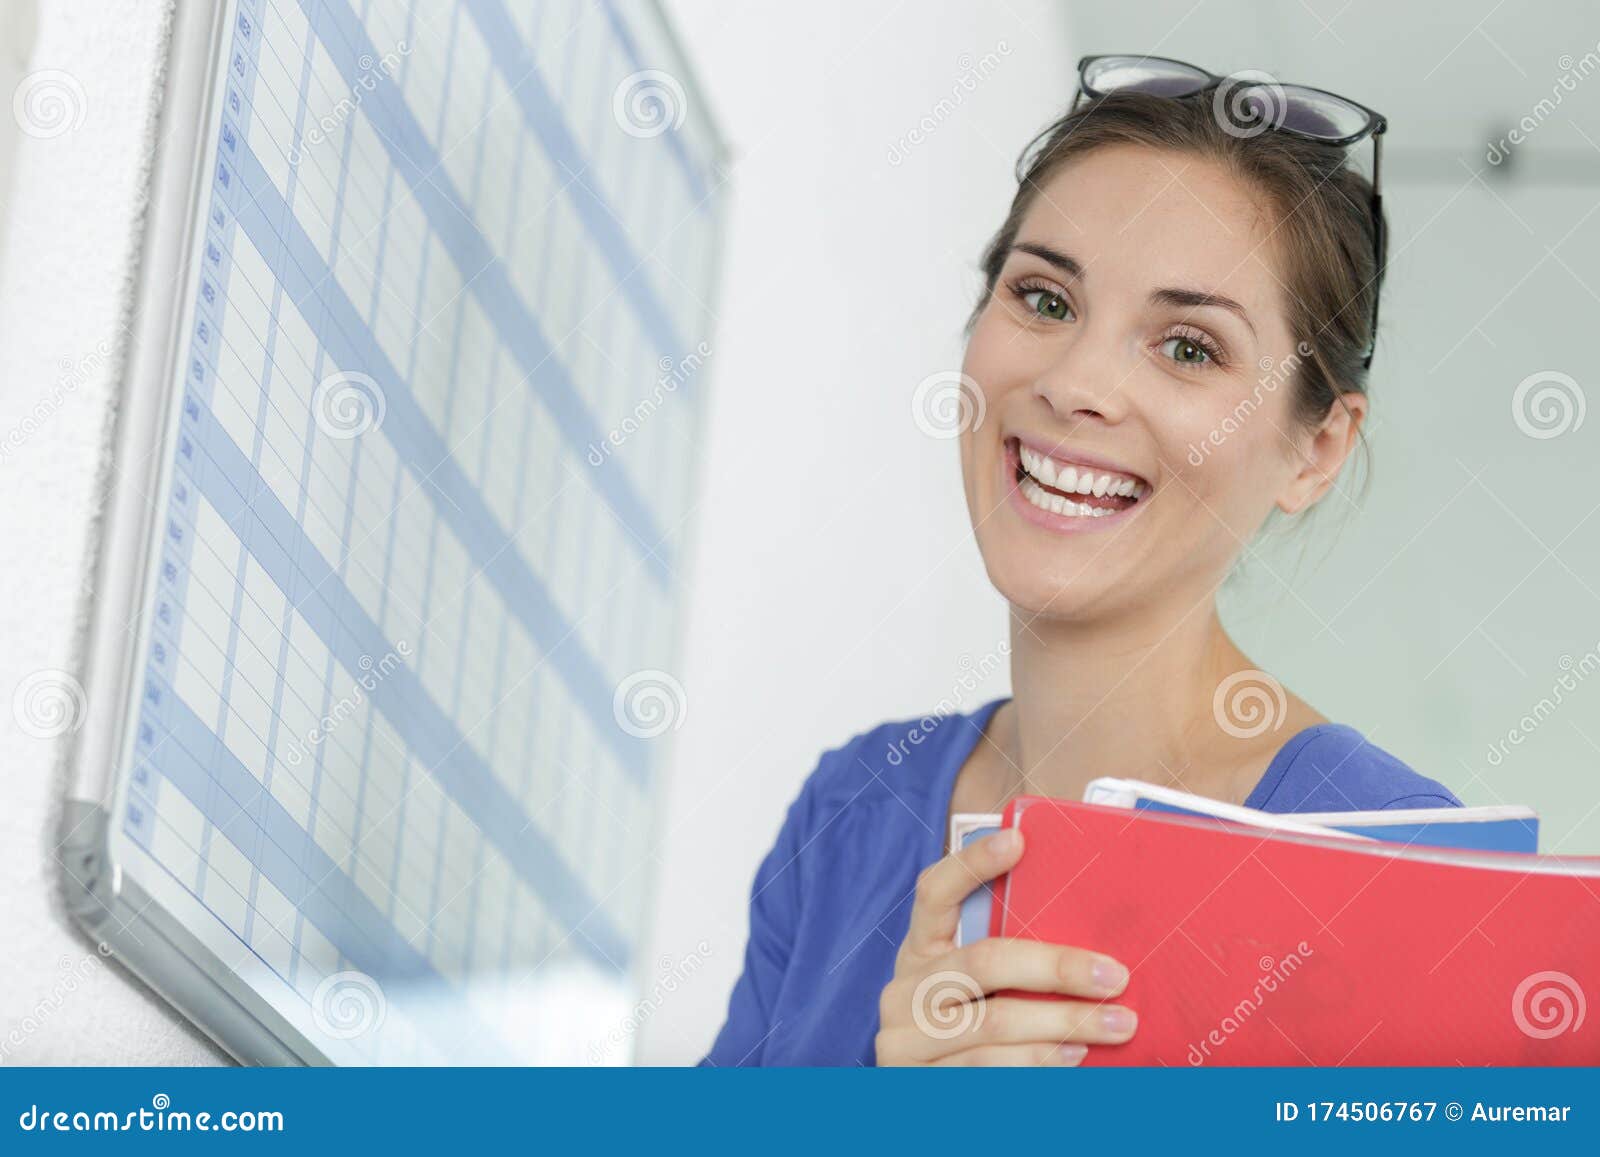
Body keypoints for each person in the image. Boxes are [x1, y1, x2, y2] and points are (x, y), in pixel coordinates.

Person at [702, 59, 1459, 1068]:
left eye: (1189, 347)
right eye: (1045, 298)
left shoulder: (1400, 869)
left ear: (1312, 449)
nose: (1076, 383)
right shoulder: (852, 810)